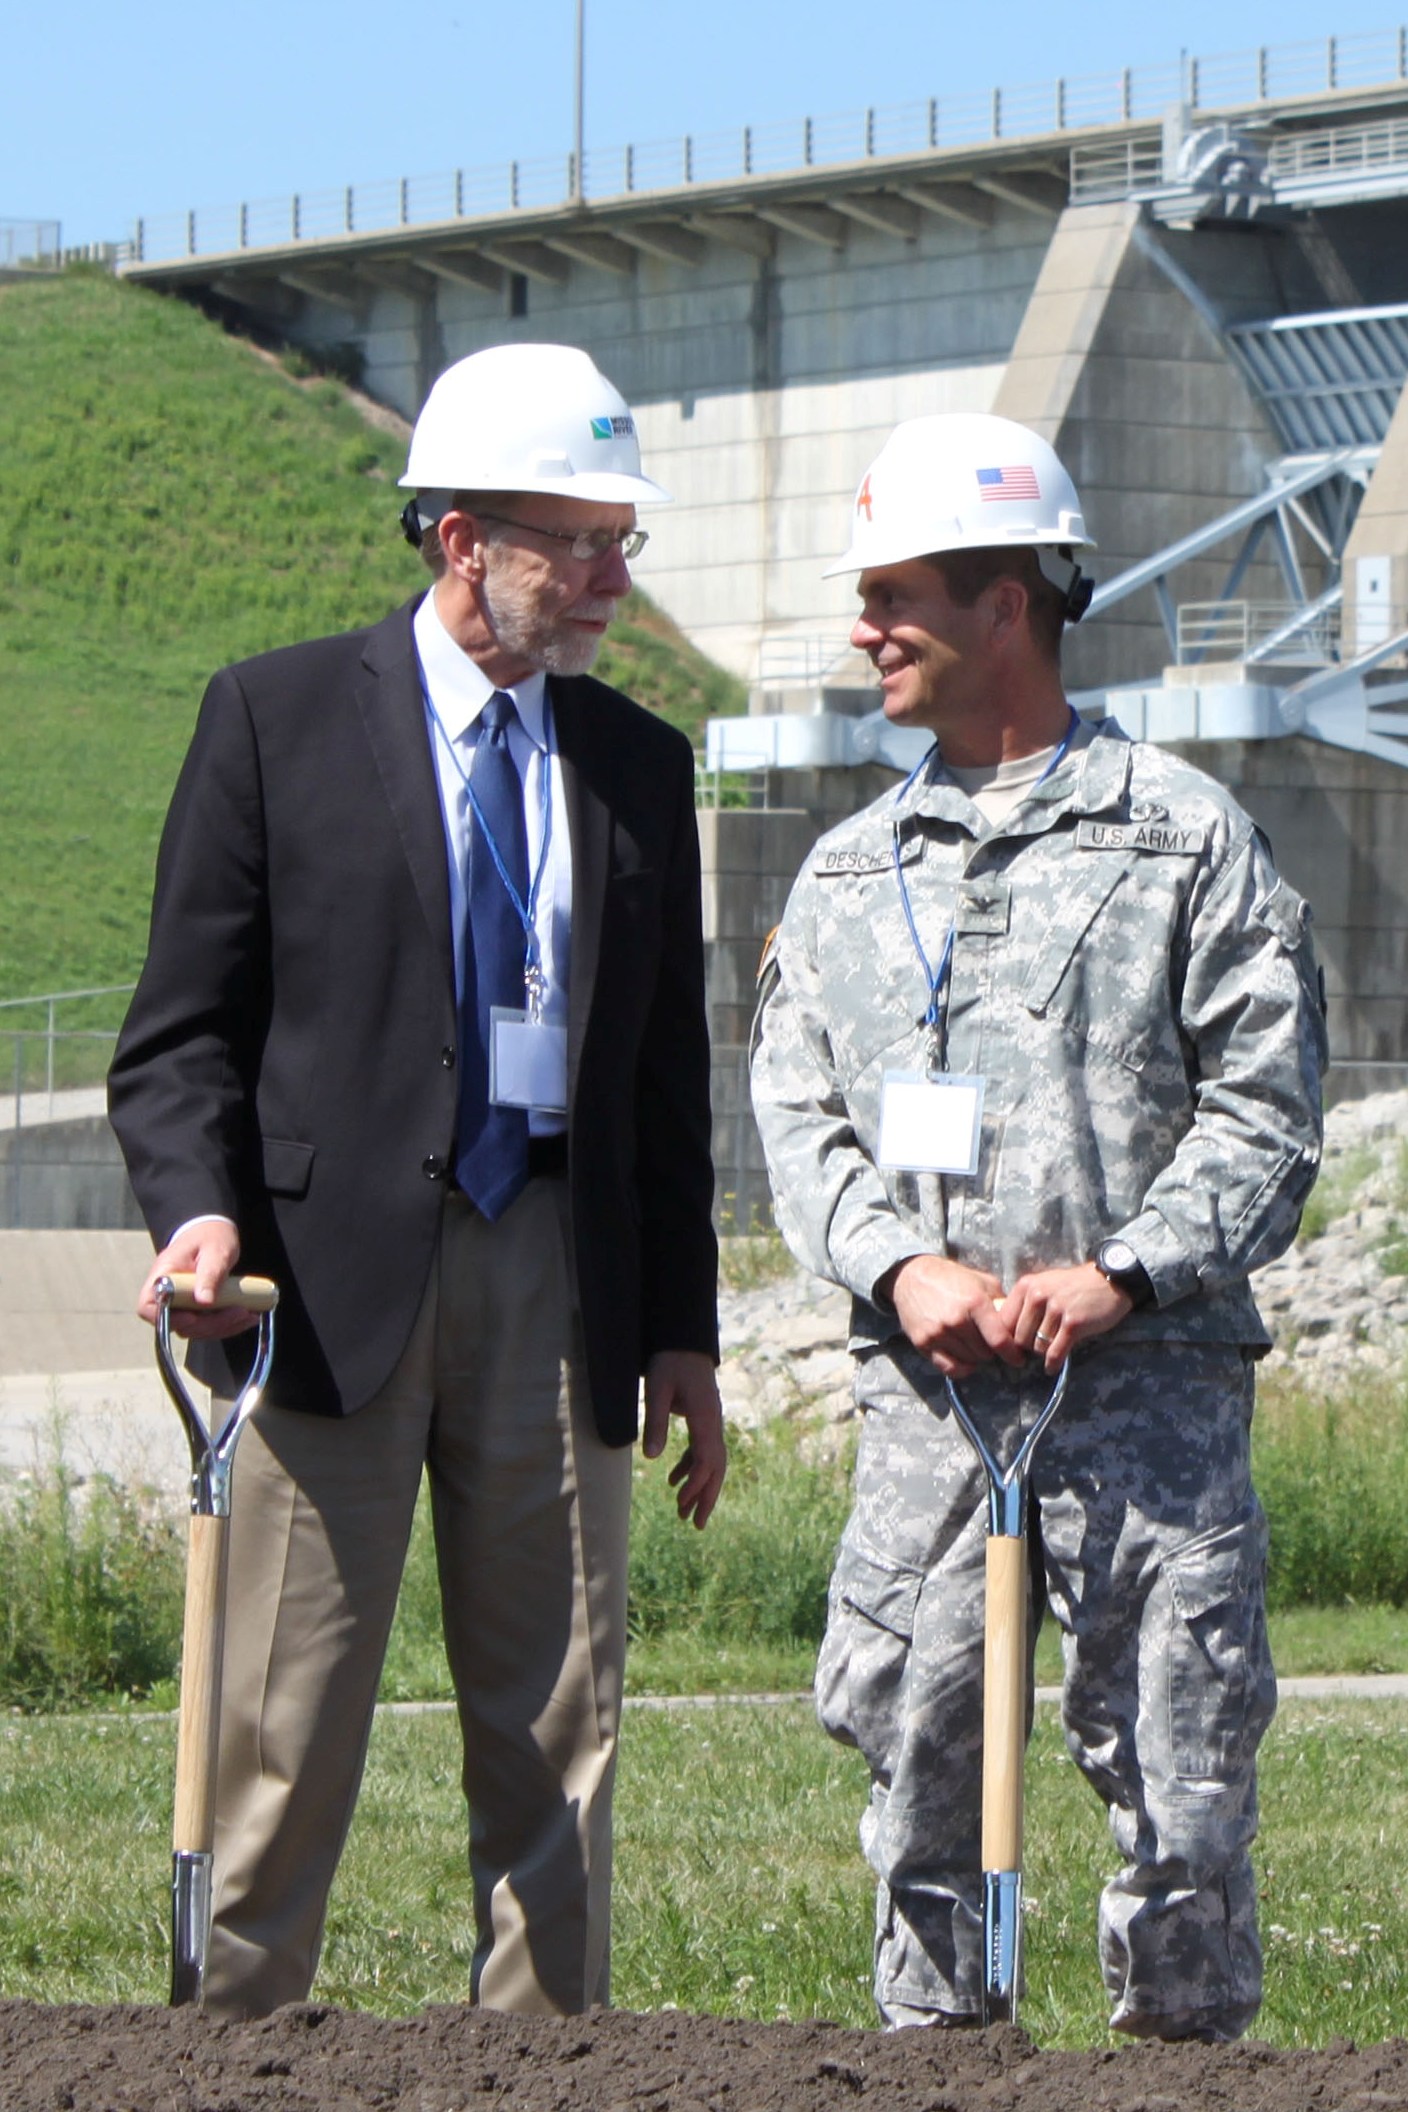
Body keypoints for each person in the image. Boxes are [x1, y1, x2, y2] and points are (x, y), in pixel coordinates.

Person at [108, 341, 726, 2021]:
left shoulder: (638, 767)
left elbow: (668, 1081)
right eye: (579, 542)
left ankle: (542, 2063)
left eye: (624, 545)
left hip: (560, 1291)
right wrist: (202, 1212)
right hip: (321, 1296)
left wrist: (684, 1331)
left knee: (559, 1737)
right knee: (276, 1733)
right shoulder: (273, 720)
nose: (613, 579)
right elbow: (176, 1040)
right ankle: (225, 2052)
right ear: (462, 540)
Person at [749, 411, 1326, 2040]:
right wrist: (898, 1265)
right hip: (932, 1417)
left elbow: (1271, 1111)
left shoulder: (1185, 841)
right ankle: (939, 2069)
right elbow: (796, 1116)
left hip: (1147, 1412)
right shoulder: (852, 874)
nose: (867, 628)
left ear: (1009, 604)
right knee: (921, 1800)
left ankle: (1188, 2079)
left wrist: (1126, 1274)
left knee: (1184, 1811)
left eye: (898, 595)